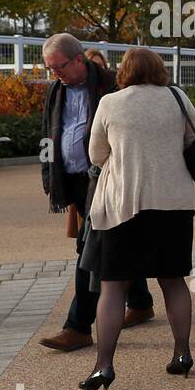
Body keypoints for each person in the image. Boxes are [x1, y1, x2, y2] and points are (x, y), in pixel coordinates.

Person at [77, 47, 195, 390]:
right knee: (173, 281)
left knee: (113, 287)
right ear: (158, 68)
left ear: (124, 71)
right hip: (174, 204)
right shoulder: (177, 97)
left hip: (124, 207)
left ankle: (104, 366)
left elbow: (96, 155)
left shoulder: (111, 103)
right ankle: (182, 353)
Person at [38, 34, 155, 352]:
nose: (54, 74)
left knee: (88, 248)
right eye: (50, 69)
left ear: (79, 60)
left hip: (106, 180)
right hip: (74, 180)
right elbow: (48, 134)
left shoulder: (111, 86)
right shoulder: (56, 90)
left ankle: (78, 326)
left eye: (58, 67)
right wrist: (50, 175)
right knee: (115, 244)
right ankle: (141, 302)